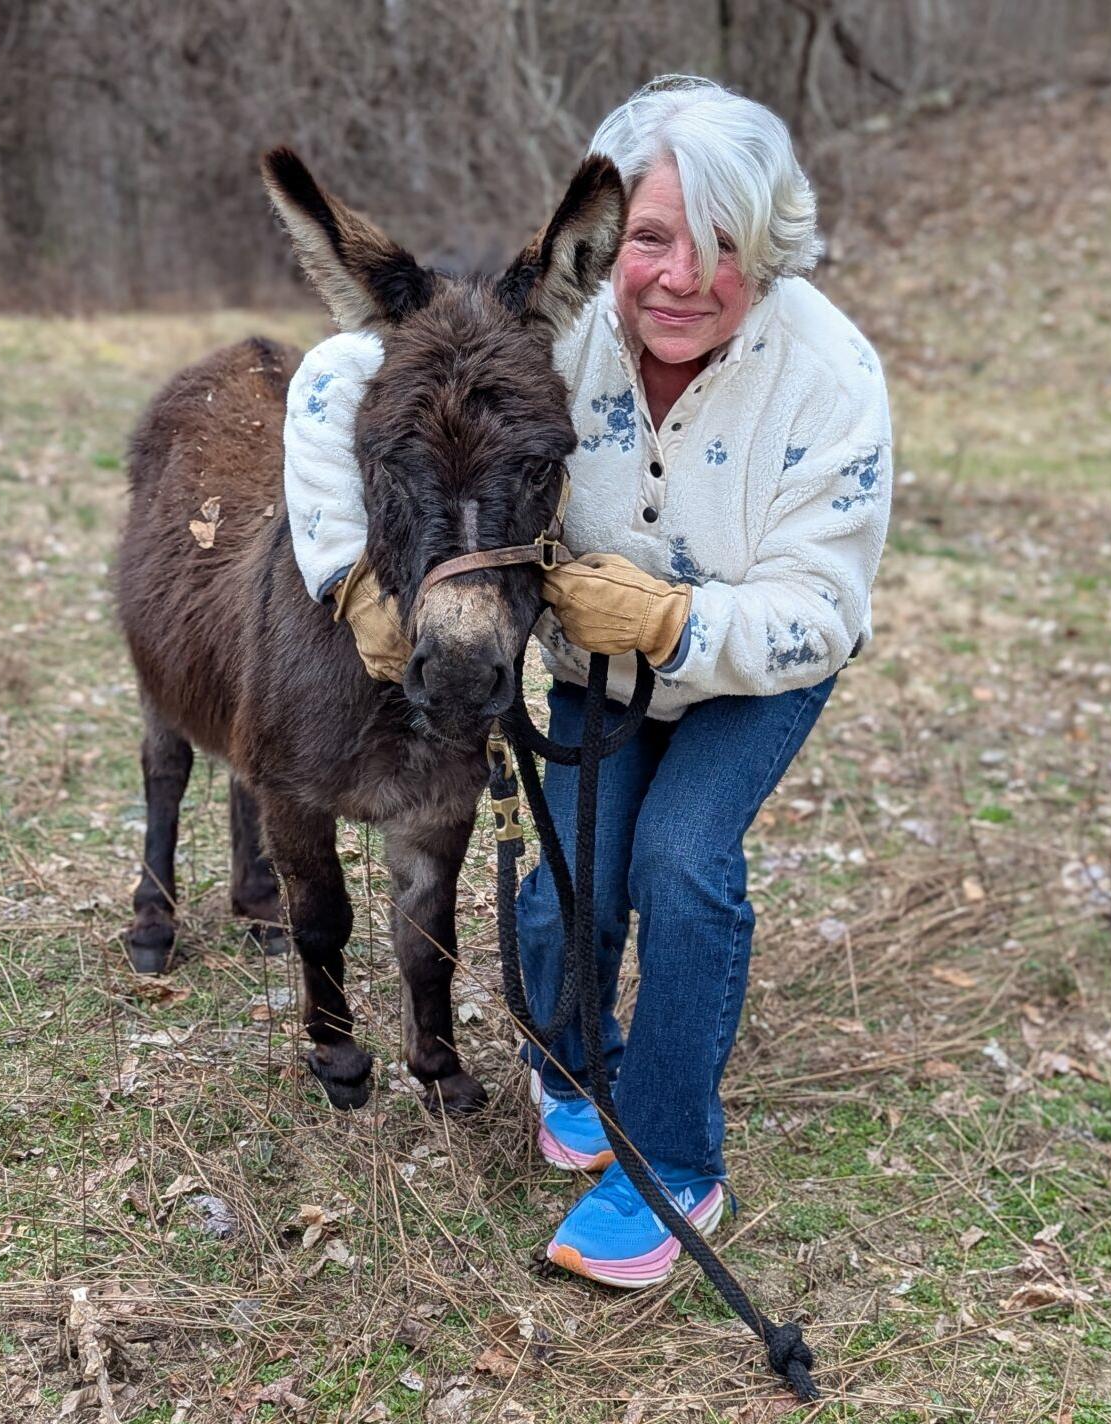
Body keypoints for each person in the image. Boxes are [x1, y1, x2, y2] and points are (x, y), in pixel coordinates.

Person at [283, 76, 892, 1290]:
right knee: (562, 888)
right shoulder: (560, 330)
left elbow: (823, 609)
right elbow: (326, 382)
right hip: (598, 672)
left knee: (677, 861)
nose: (680, 276)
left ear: (770, 247)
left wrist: (676, 617)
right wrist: (348, 579)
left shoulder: (829, 378)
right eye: (653, 238)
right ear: (607, 244)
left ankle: (669, 1158)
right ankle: (572, 1058)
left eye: (725, 243)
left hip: (755, 673)